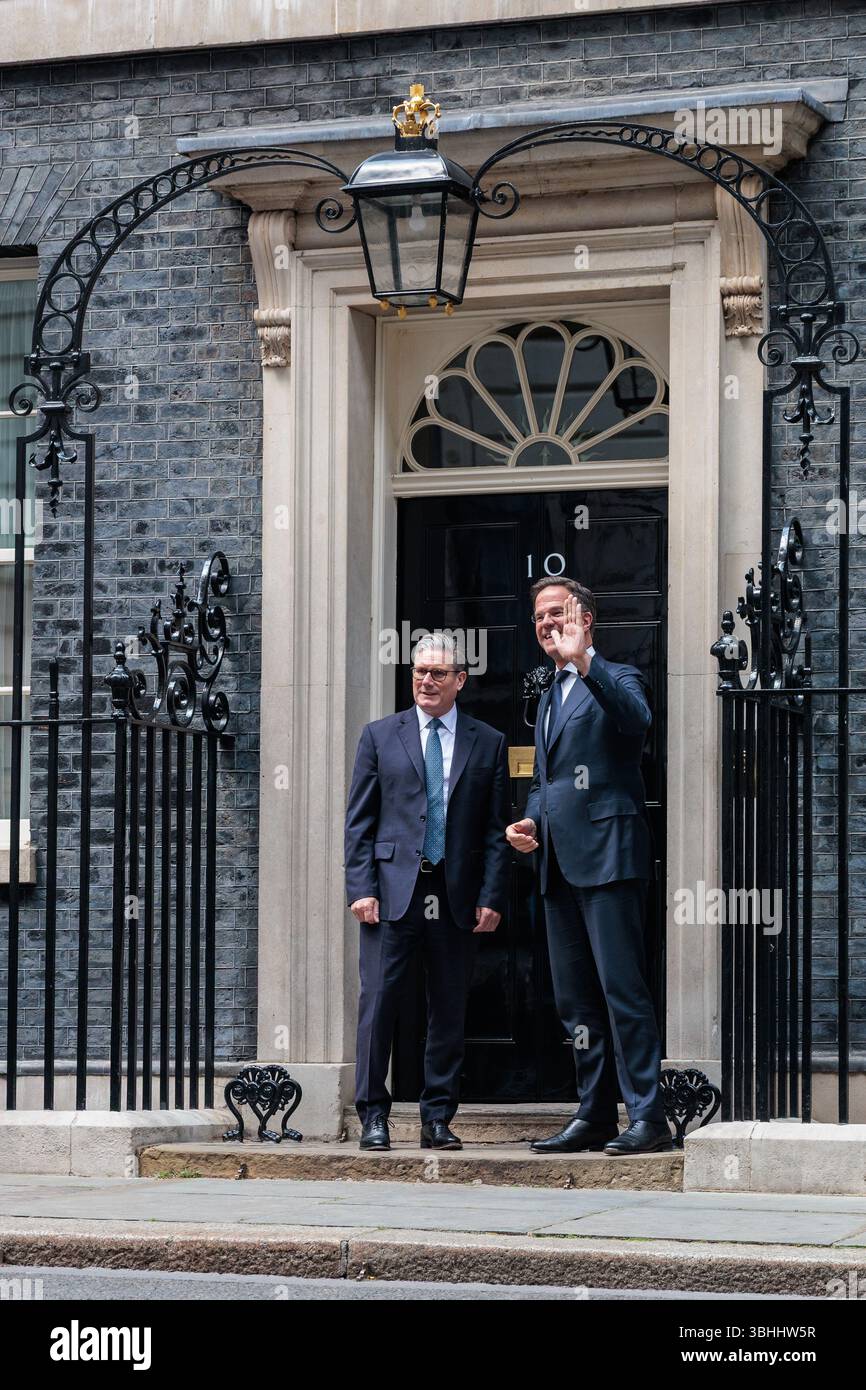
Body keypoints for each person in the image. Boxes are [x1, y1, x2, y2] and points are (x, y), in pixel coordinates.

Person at [506, 579, 672, 1155]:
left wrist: (585, 663)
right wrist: (529, 823)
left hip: (609, 859)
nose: (546, 624)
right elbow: (545, 780)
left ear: (586, 618)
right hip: (556, 864)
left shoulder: (618, 677)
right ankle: (595, 1112)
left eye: (557, 613)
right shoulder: (547, 695)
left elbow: (636, 722)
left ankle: (649, 1115)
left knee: (622, 990)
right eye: (538, 617)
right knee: (575, 1001)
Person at [345, 632, 510, 1151]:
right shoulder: (378, 736)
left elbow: (493, 830)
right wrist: (361, 887)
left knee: (448, 1008)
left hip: (456, 893)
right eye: (419, 671)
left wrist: (492, 895)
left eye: (439, 673)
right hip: (393, 892)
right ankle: (374, 1114)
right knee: (380, 1003)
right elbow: (359, 823)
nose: (426, 680)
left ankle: (437, 1117)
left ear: (460, 680)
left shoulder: (488, 741)